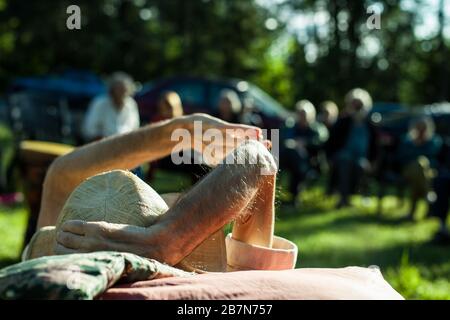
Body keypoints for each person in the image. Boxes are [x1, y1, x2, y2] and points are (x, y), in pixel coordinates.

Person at [24, 113, 402, 300]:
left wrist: (184, 129)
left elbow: (61, 172)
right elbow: (258, 158)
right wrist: (165, 239)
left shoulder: (44, 277)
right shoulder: (222, 283)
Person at [326, 88, 377, 208]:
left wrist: (373, 162)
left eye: (359, 105)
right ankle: (343, 199)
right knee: (345, 161)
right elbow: (331, 143)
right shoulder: (343, 122)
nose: (357, 108)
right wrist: (330, 159)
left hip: (362, 159)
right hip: (343, 156)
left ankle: (356, 196)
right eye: (354, 105)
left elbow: (376, 147)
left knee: (360, 165)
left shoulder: (370, 124)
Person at [280, 100, 328, 205]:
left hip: (311, 162)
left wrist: (305, 143)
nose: (302, 117)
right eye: (299, 114)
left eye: (304, 114)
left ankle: (293, 196)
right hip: (290, 159)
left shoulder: (317, 129)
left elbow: (322, 141)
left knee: (297, 158)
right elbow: (283, 140)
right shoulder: (291, 127)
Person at [396, 117, 442, 220]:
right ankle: (427, 193)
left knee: (421, 167)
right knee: (419, 164)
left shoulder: (434, 140)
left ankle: (411, 213)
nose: (421, 131)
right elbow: (402, 157)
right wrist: (417, 145)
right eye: (419, 128)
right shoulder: (407, 140)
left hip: (428, 172)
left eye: (423, 128)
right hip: (409, 171)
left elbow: (433, 155)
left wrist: (419, 147)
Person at [82, 72, 140, 142]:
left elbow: (135, 128)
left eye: (125, 90)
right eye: (119, 90)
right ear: (112, 90)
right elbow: (89, 129)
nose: (123, 93)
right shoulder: (99, 103)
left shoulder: (131, 104)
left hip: (125, 144)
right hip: (101, 145)